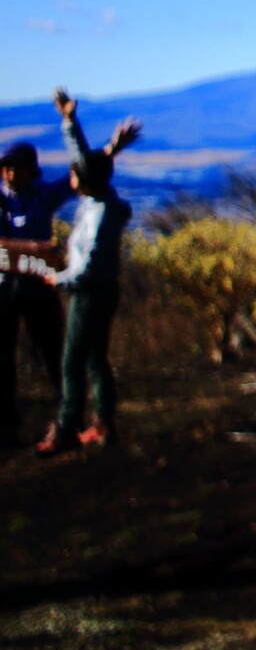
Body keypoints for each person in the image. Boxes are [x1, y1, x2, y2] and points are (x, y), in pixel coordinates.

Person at [35, 91, 140, 456]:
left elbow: (87, 265)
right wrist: (70, 122)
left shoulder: (99, 215)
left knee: (72, 359)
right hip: (100, 290)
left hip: (90, 293)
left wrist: (59, 279)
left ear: (84, 181)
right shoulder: (101, 198)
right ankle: (104, 424)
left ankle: (66, 427)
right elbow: (88, 162)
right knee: (95, 357)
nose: (71, 174)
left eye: (74, 175)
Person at [0, 92, 83, 448]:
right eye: (5, 166)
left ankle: (70, 419)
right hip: (5, 289)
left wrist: (70, 123)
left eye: (14, 166)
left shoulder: (41, 197)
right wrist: (35, 249)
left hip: (37, 288)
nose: (8, 172)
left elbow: (80, 175)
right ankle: (6, 426)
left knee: (53, 354)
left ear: (30, 169)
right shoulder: (2, 201)